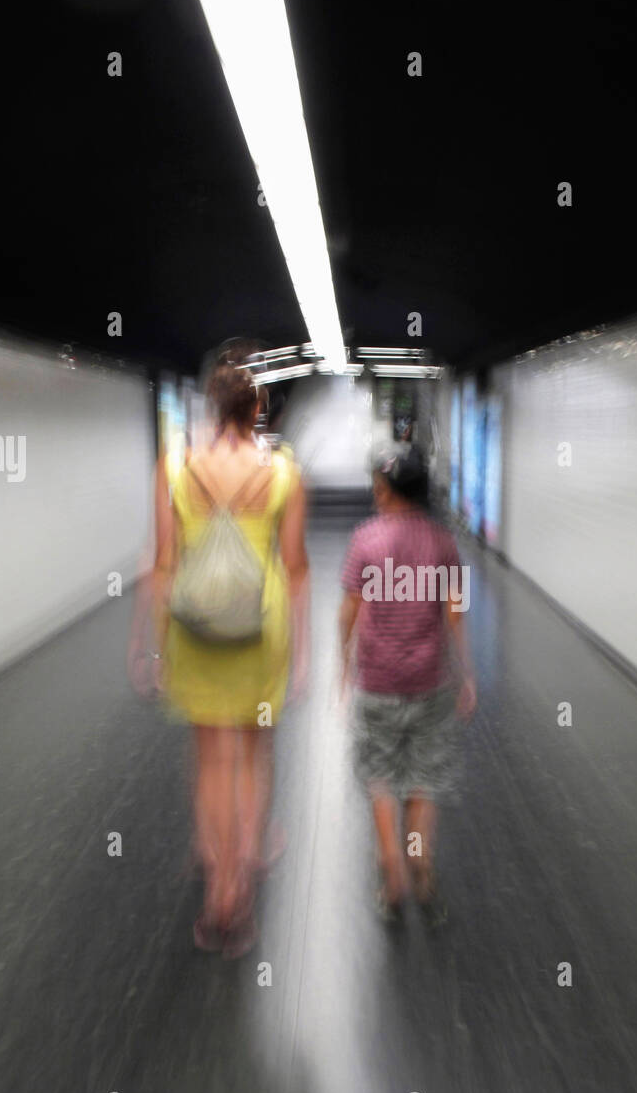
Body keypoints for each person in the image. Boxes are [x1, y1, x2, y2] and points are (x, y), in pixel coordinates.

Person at [152, 339, 309, 957]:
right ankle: (247, 857)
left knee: (210, 758)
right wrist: (304, 653)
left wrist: (149, 643)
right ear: (258, 408)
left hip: (193, 629)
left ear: (211, 408)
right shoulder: (284, 473)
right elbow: (296, 569)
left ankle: (217, 881)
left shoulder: (173, 467)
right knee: (254, 753)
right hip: (259, 630)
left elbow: (164, 563)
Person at [338, 446, 476, 923]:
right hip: (430, 682)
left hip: (377, 682)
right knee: (422, 780)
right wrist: (468, 674)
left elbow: (350, 609)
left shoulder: (365, 540)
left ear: (387, 490)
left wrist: (342, 666)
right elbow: (456, 611)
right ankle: (419, 859)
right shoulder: (444, 542)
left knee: (380, 778)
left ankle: (391, 871)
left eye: (379, 486)